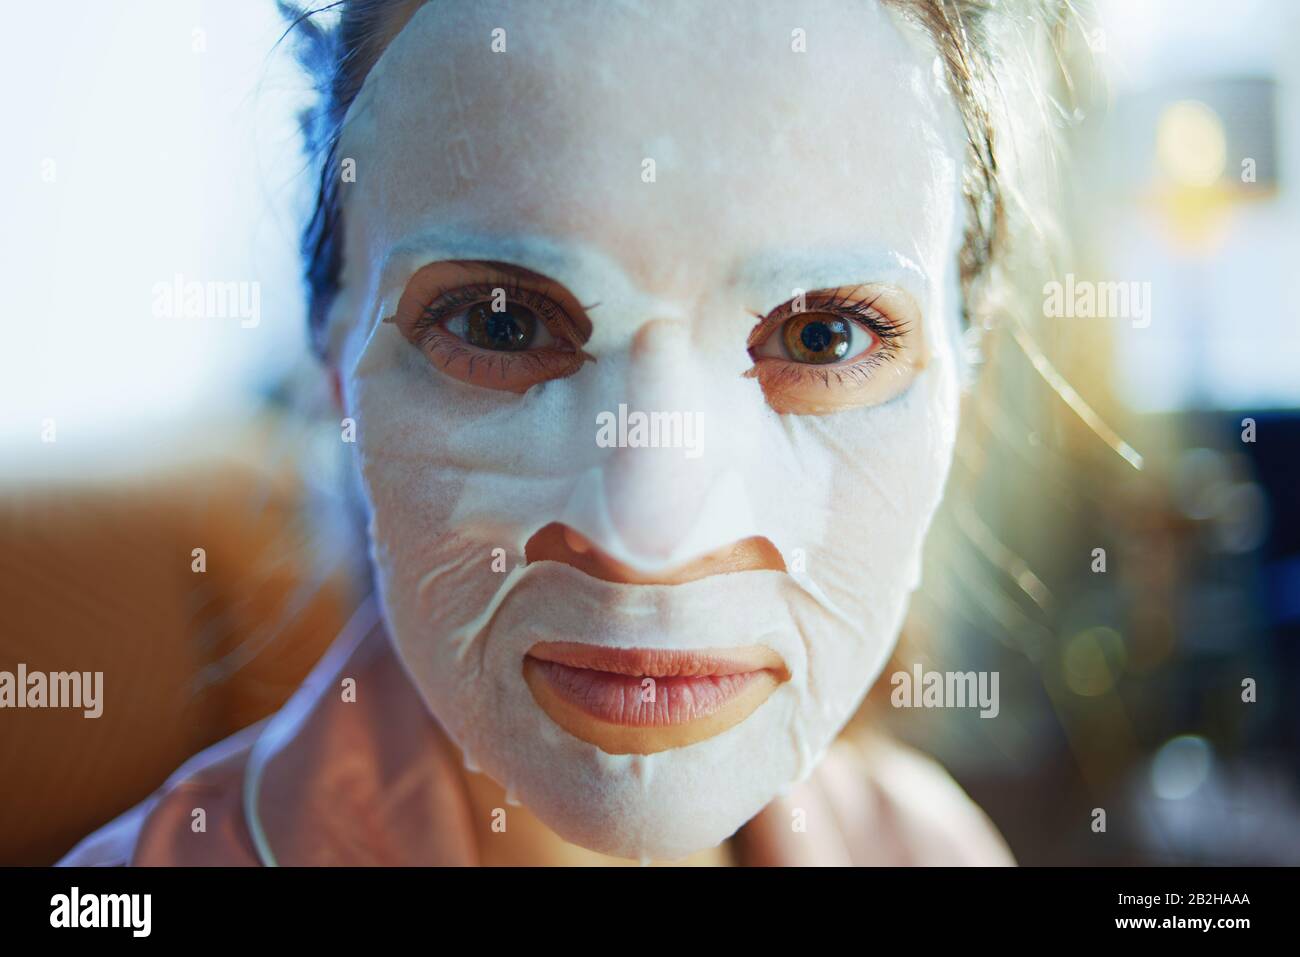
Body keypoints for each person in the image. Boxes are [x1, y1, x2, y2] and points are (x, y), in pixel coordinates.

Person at [62, 0, 1065, 866]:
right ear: (336, 372)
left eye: (819, 335)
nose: (645, 542)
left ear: (962, 382)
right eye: (502, 324)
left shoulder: (928, 849)